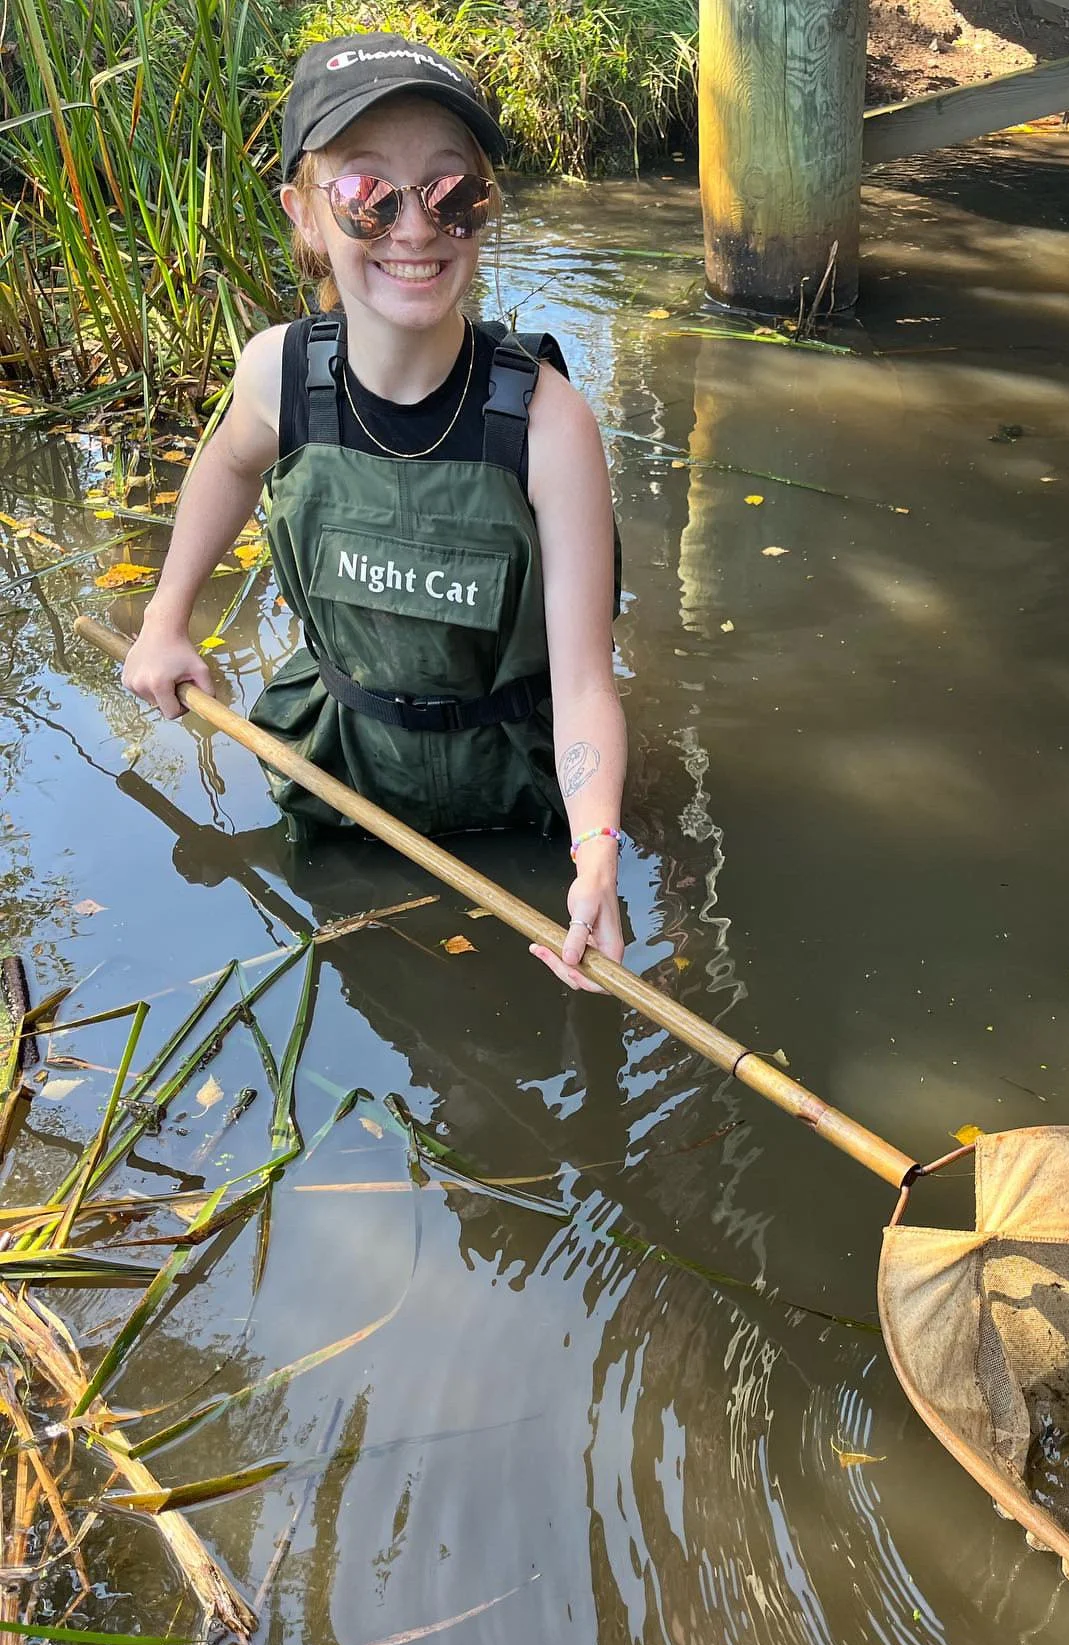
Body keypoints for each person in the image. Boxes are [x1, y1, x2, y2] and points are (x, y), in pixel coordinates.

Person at [121, 32, 626, 993]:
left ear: (485, 210)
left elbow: (586, 678)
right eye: (366, 196)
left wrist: (597, 850)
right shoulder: (277, 375)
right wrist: (163, 619)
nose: (414, 229)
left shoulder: (549, 425)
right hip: (337, 770)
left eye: (451, 193)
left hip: (517, 797)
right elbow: (225, 468)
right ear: (304, 215)